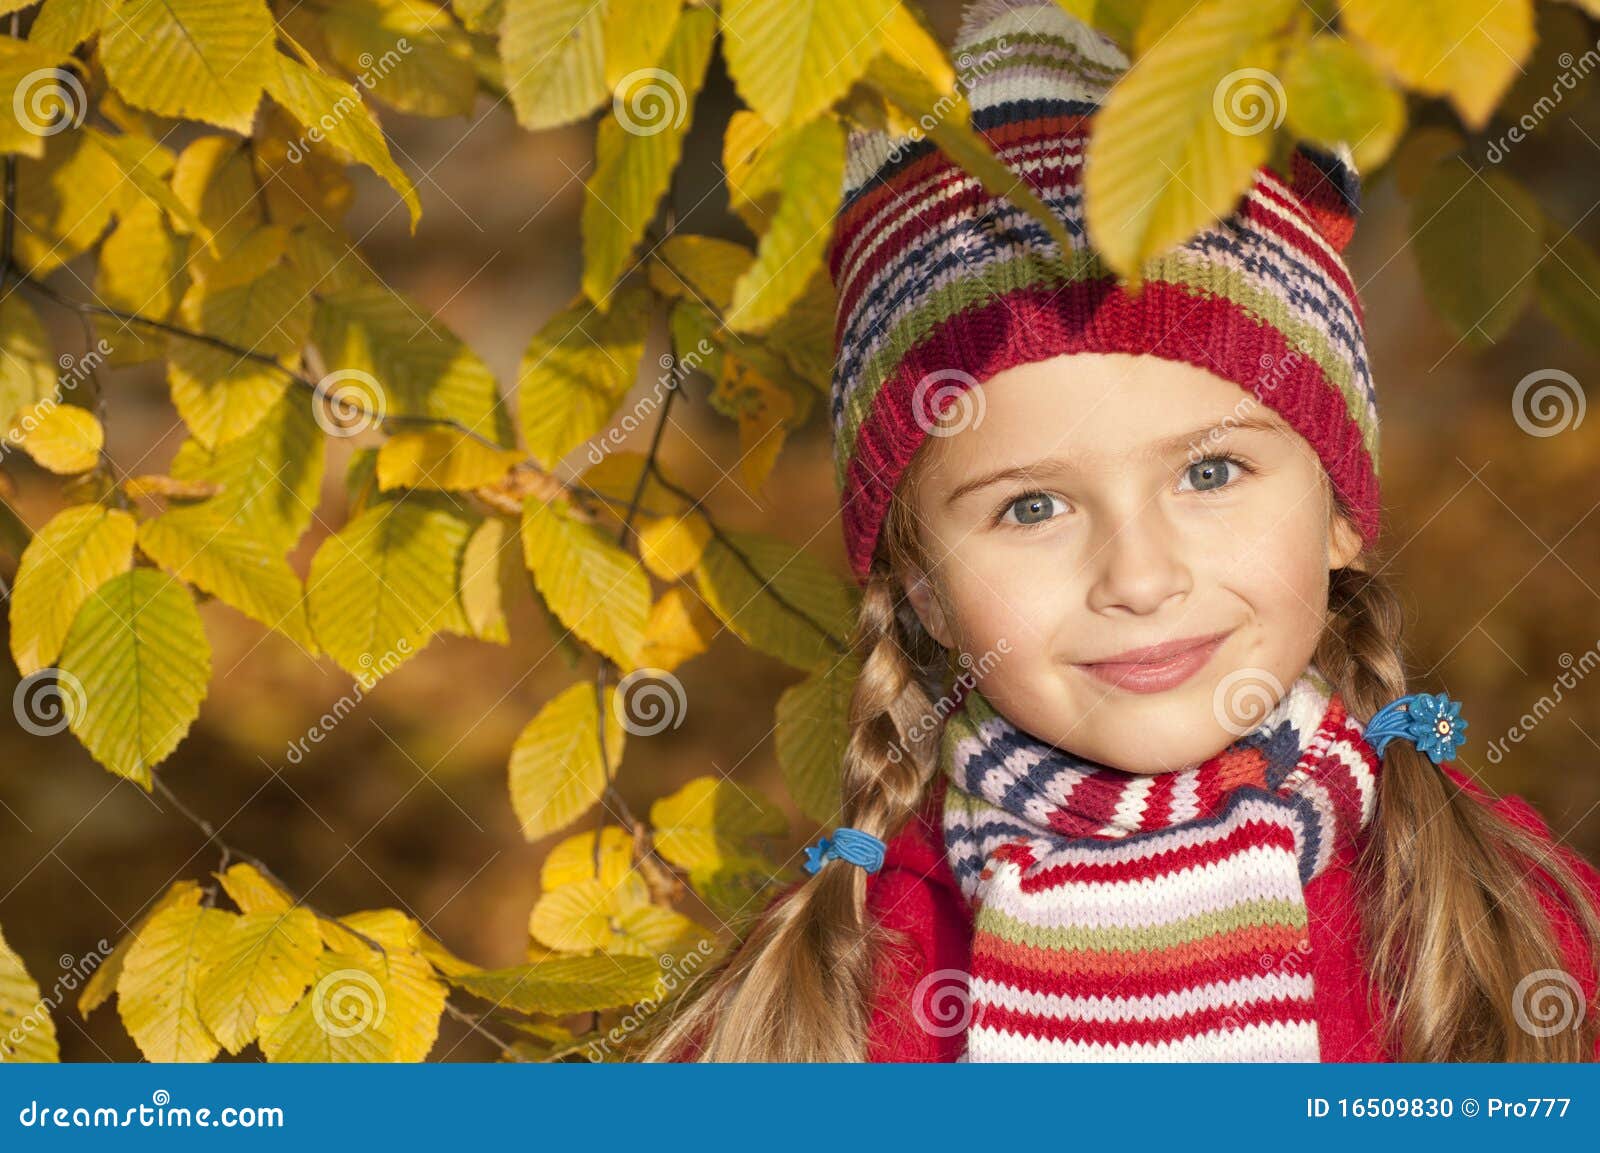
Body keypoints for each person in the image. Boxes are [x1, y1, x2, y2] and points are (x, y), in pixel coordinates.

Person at [635, 0, 1600, 1062]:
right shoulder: (820, 1011)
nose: (1138, 579)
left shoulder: (1517, 935)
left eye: (1209, 470)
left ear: (1335, 506)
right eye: (1031, 506)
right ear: (921, 587)